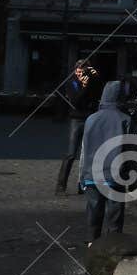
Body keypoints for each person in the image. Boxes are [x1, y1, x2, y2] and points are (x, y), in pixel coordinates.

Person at [77, 80, 135, 244]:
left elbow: (84, 150)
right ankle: (111, 252)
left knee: (93, 214)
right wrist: (133, 178)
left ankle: (91, 245)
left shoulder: (90, 119)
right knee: (114, 218)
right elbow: (131, 152)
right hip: (115, 177)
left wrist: (81, 176)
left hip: (91, 175)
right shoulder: (125, 120)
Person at [55, 60, 100, 193]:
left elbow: (98, 92)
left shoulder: (92, 80)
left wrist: (94, 77)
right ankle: (61, 185)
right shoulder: (72, 82)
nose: (82, 73)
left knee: (87, 154)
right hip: (76, 119)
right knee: (71, 153)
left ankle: (83, 184)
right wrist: (84, 86)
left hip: (89, 118)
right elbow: (75, 101)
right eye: (80, 70)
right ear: (76, 70)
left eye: (85, 70)